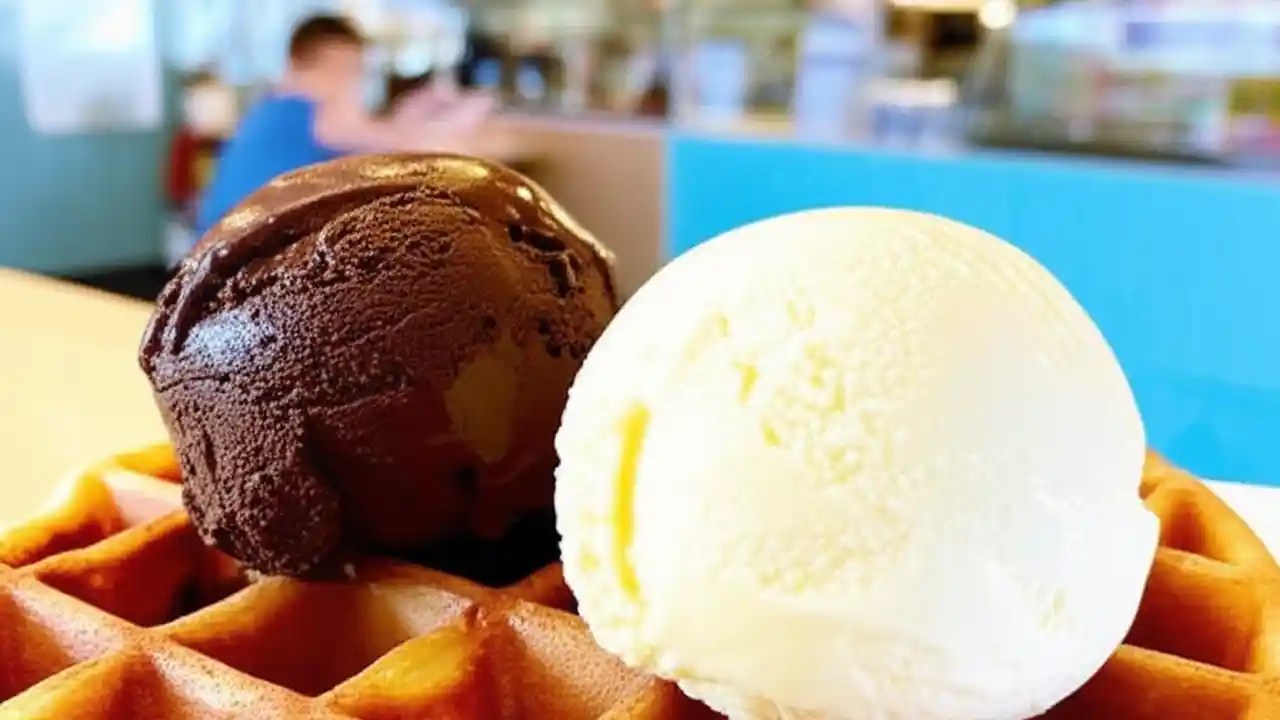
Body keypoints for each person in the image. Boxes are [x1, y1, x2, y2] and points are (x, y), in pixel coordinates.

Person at [196, 14, 493, 237]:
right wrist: (467, 109)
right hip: (238, 266)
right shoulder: (310, 110)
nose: (352, 84)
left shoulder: (271, 111)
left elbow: (378, 135)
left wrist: (414, 112)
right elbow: (420, 147)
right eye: (350, 70)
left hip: (218, 260)